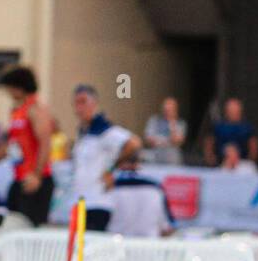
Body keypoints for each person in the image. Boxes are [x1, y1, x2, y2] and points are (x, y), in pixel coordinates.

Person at [70, 84, 140, 232]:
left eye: (83, 102)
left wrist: (111, 168)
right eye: (76, 103)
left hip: (97, 201)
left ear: (94, 104)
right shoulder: (83, 132)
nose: (79, 108)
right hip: (81, 201)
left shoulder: (103, 129)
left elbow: (133, 143)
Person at [0, 64, 54, 227]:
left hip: (35, 178)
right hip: (19, 176)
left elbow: (45, 143)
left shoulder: (35, 109)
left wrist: (37, 175)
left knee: (30, 227)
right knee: (13, 224)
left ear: (18, 87)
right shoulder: (18, 110)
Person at [108, 153, 174, 238]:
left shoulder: (110, 187)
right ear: (138, 164)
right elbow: (168, 227)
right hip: (147, 245)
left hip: (115, 244)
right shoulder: (155, 188)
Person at [204, 97, 258, 167]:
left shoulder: (247, 127)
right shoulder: (218, 126)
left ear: (240, 110)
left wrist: (250, 161)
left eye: (235, 109)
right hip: (220, 164)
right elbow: (209, 142)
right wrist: (209, 157)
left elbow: (253, 145)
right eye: (231, 109)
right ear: (226, 111)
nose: (233, 112)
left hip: (242, 164)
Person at [143, 96, 186, 165]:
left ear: (175, 110)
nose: (167, 112)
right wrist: (164, 142)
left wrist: (172, 123)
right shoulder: (154, 120)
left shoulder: (180, 124)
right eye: (165, 109)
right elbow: (148, 139)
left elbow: (177, 141)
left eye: (170, 110)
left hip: (172, 157)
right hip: (155, 154)